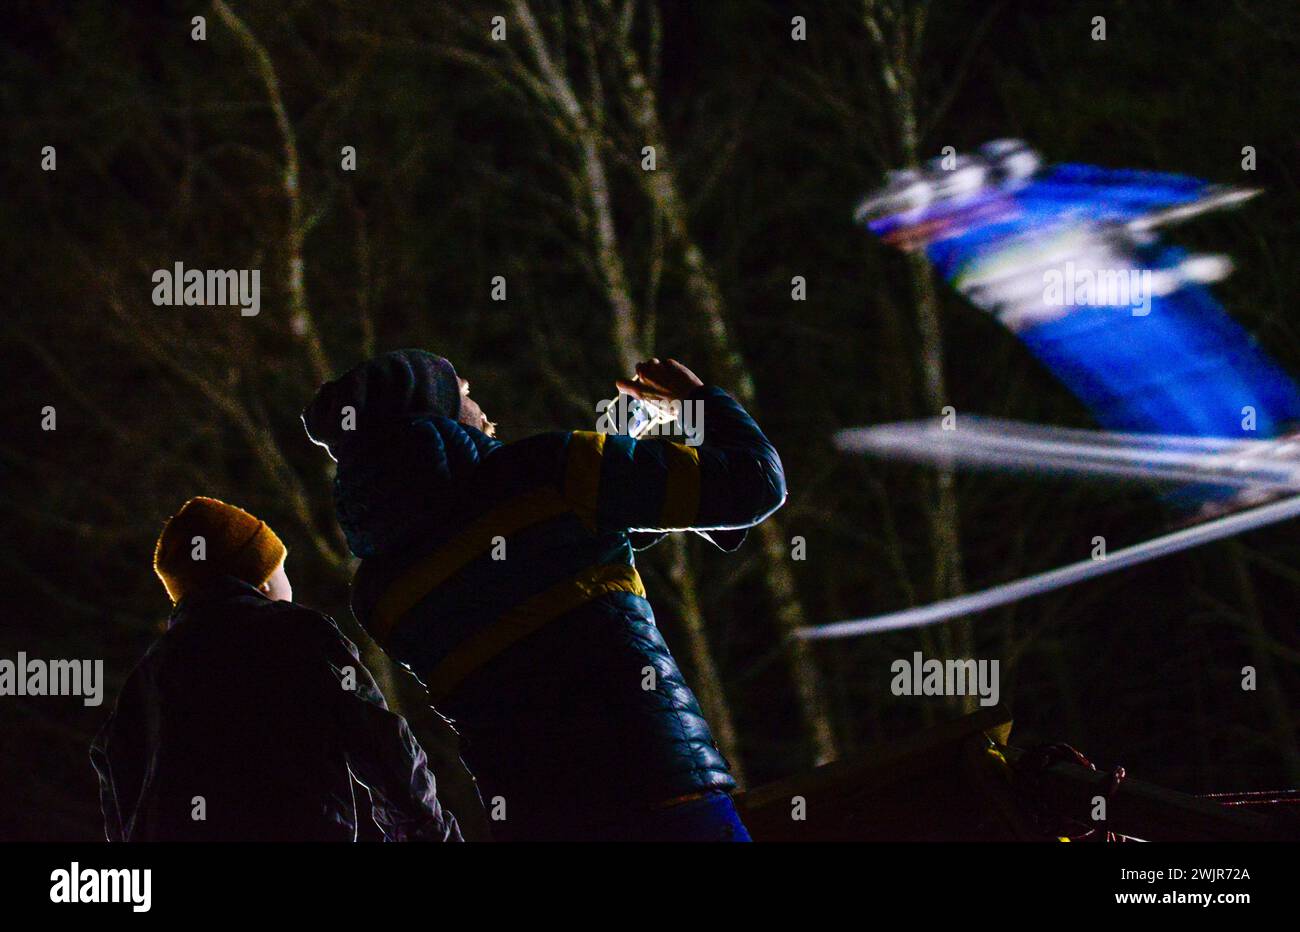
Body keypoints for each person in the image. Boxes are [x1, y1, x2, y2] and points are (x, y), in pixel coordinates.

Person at [302, 350, 787, 841]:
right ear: (435, 411)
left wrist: (613, 447)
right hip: (659, 790)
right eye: (466, 395)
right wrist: (697, 403)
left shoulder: (378, 594)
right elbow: (753, 482)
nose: (486, 412)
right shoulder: (548, 470)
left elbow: (524, 564)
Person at [90, 496, 462, 842]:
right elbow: (384, 746)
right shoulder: (298, 634)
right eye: (280, 565)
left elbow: (121, 804)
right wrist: (427, 833)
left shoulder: (143, 682)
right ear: (262, 578)